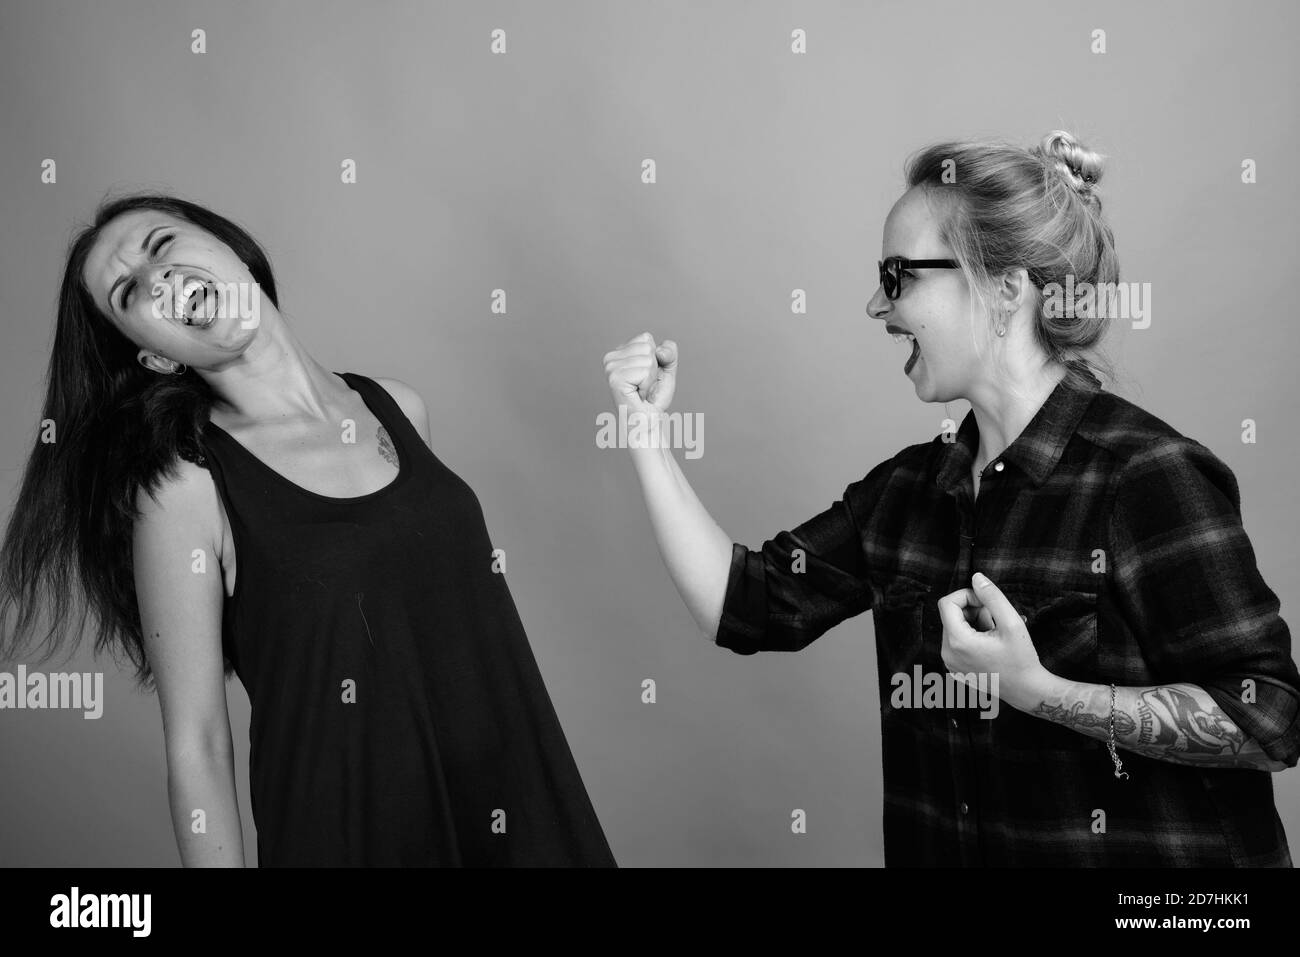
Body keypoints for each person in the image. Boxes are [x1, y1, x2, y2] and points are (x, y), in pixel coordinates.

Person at [603, 131, 1300, 866]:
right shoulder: (908, 493)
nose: (877, 304)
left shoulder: (1147, 475)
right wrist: (646, 431)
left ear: (1003, 289)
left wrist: (1037, 689)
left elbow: (1271, 718)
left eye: (899, 276)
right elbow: (741, 603)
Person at [0, 192, 616, 867]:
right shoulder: (187, 488)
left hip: (515, 810)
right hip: (348, 836)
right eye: (128, 292)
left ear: (230, 249)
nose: (158, 280)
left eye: (161, 246)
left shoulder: (398, 408)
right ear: (154, 357)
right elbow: (198, 743)